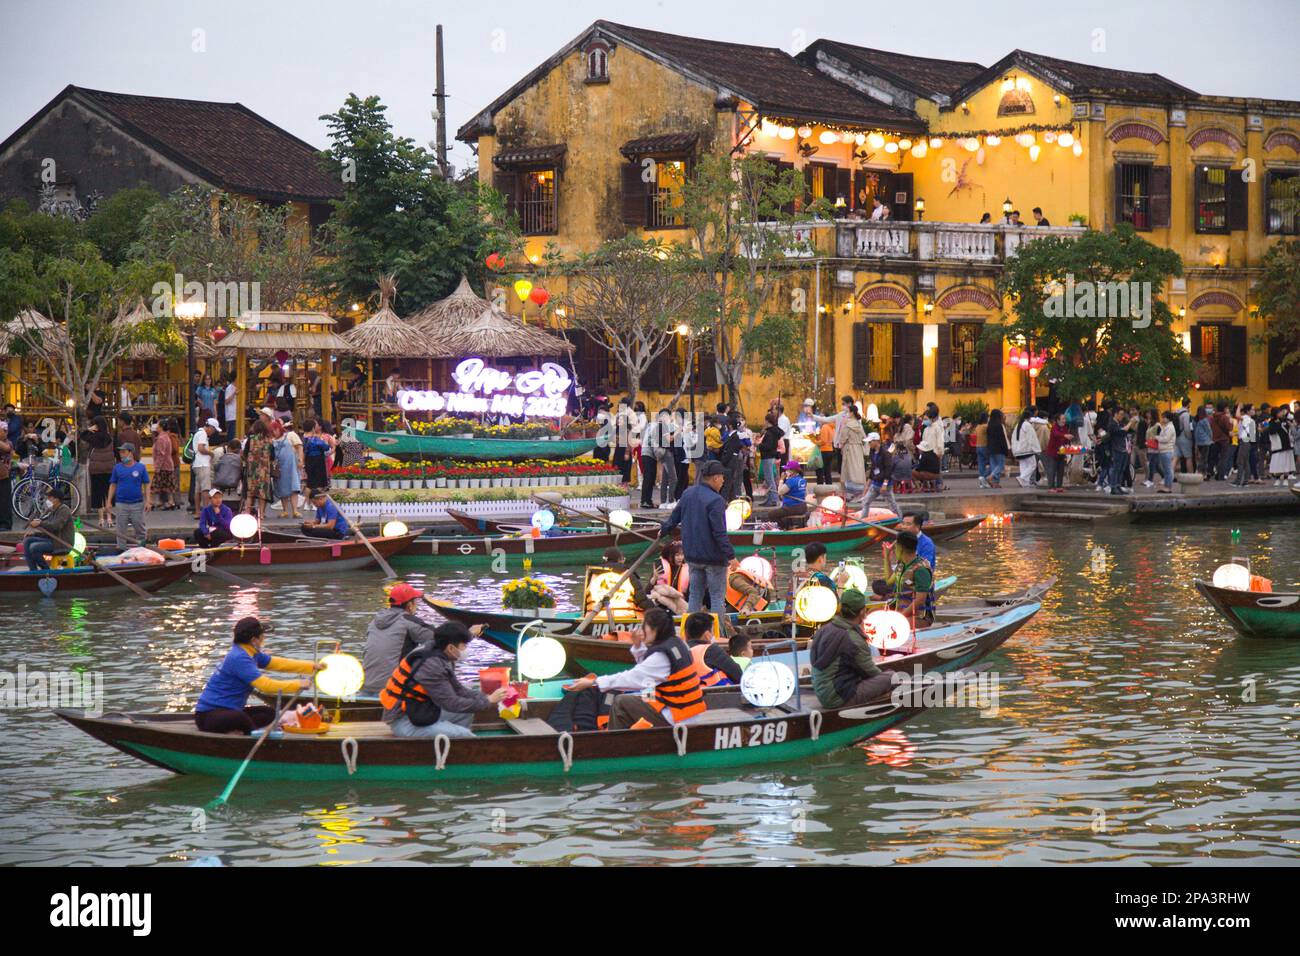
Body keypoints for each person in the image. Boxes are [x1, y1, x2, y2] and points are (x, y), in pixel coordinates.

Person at [562, 607, 707, 729]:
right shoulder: (678, 643)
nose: (641, 630)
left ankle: (614, 744)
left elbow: (632, 678)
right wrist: (638, 646)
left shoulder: (661, 656)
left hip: (676, 716)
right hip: (683, 710)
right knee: (645, 692)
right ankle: (635, 734)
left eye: (644, 626)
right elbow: (647, 671)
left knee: (621, 701)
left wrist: (593, 682)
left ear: (655, 630)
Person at [380, 621, 509, 738]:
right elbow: (451, 703)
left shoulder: (438, 650)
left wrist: (486, 697)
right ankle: (459, 745)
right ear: (451, 648)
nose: (465, 650)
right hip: (404, 720)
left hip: (420, 710)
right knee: (464, 734)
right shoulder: (431, 665)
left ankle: (451, 749)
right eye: (464, 646)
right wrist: (488, 701)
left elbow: (459, 690)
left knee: (466, 712)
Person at [193, 617, 320, 734]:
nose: (263, 640)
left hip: (230, 710)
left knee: (269, 713)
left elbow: (277, 663)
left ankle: (239, 731)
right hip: (208, 716)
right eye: (262, 637)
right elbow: (265, 686)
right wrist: (298, 685)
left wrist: (311, 666)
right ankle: (253, 737)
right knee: (240, 718)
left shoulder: (251, 652)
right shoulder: (239, 657)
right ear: (254, 640)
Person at [659, 460, 736, 613]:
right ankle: (717, 628)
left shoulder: (688, 493)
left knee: (695, 595)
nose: (723, 480)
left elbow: (674, 517)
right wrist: (731, 556)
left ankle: (690, 626)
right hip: (713, 558)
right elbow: (719, 532)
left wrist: (663, 530)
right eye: (722, 477)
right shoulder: (716, 500)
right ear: (715, 478)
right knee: (717, 597)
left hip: (693, 556)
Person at [809, 588, 894, 708]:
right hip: (837, 697)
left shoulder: (824, 629)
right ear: (862, 611)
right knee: (891, 677)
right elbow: (870, 672)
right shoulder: (853, 638)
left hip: (822, 692)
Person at [360, 582, 439, 695]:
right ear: (410, 605)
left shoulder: (374, 622)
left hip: (366, 686)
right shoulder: (409, 621)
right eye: (415, 601)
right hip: (392, 690)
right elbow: (440, 637)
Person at [873, 530, 934, 621]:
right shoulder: (902, 565)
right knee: (872, 612)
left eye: (895, 547)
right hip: (901, 610)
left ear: (900, 549)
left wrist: (899, 618)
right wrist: (887, 557)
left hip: (919, 617)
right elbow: (889, 581)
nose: (894, 550)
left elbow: (920, 600)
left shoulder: (921, 569)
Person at [106, 442, 151, 547]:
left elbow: (147, 484)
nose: (121, 454)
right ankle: (121, 548)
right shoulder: (117, 468)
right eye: (120, 452)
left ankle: (142, 548)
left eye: (124, 452)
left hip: (137, 504)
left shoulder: (141, 467)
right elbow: (113, 485)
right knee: (121, 530)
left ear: (130, 453)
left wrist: (148, 501)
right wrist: (109, 502)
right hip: (121, 504)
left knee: (140, 529)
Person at [21, 485, 75, 570]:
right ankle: (33, 570)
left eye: (49, 498)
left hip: (61, 544)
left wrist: (40, 523)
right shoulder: (53, 511)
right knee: (27, 541)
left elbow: (55, 526)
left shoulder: (64, 510)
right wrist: (34, 534)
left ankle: (46, 570)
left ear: (56, 499)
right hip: (53, 540)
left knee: (34, 547)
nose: (47, 500)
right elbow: (49, 532)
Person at [684, 611, 742, 686]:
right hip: (714, 693)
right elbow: (738, 675)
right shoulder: (711, 650)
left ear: (685, 633)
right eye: (712, 631)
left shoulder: (680, 651)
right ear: (707, 635)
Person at [82, 415, 117, 513]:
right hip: (109, 468)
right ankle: (109, 509)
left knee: (97, 491)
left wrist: (88, 429)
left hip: (95, 469)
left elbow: (83, 436)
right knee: (108, 489)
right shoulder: (110, 438)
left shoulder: (93, 437)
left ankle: (99, 511)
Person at [242, 419, 274, 520]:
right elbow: (273, 456)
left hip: (252, 469)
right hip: (264, 470)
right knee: (262, 493)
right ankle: (261, 514)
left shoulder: (251, 439)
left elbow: (245, 453)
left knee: (250, 493)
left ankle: (247, 512)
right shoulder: (269, 440)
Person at [861, 433, 900, 517]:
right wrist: (867, 485)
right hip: (875, 483)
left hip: (885, 484)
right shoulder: (872, 452)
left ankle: (900, 519)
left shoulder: (885, 453)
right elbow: (873, 468)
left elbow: (888, 469)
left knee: (892, 504)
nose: (869, 444)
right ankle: (863, 519)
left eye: (870, 442)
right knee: (865, 501)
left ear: (876, 441)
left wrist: (885, 484)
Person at [648, 540, 690, 613]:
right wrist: (654, 578)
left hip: (680, 605)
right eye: (677, 555)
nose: (680, 558)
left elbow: (690, 594)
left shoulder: (688, 570)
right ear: (670, 556)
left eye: (682, 554)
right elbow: (647, 592)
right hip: (661, 604)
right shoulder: (661, 569)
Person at [190, 417, 219, 518]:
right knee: (205, 489)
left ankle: (198, 512)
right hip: (203, 464)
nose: (213, 432)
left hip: (197, 464)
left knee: (197, 490)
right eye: (214, 430)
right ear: (210, 427)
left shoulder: (198, 433)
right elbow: (201, 448)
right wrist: (211, 453)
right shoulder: (203, 434)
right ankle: (206, 512)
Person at [768, 460, 808, 528]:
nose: (785, 471)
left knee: (771, 514)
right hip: (803, 506)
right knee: (781, 511)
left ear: (792, 471)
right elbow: (805, 493)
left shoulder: (791, 481)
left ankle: (784, 527)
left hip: (793, 507)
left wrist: (781, 480)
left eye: (787, 470)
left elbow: (780, 492)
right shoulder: (802, 480)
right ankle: (789, 525)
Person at [757, 412, 785, 506]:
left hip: (767, 457)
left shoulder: (769, 433)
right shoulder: (774, 431)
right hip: (770, 456)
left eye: (765, 420)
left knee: (769, 479)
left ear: (768, 421)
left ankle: (773, 499)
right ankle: (770, 499)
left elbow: (768, 446)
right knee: (769, 478)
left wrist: (759, 445)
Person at [273, 429, 302, 518]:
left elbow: (300, 447)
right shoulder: (272, 439)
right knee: (282, 487)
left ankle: (295, 511)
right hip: (280, 466)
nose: (274, 432)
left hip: (291, 465)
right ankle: (285, 510)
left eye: (275, 429)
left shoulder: (290, 435)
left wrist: (300, 460)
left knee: (294, 487)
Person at [150, 420, 178, 510]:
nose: (156, 427)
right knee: (168, 485)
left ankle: (151, 502)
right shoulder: (166, 437)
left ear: (161, 427)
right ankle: (170, 501)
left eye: (158, 425)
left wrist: (157, 467)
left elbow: (161, 454)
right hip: (168, 465)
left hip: (163, 466)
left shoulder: (161, 439)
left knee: (155, 485)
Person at [1011, 407, 1042, 487]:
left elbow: (1013, 438)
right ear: (1029, 418)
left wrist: (1014, 449)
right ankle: (1022, 478)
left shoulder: (1018, 425)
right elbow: (1032, 438)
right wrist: (1037, 449)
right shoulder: (1027, 425)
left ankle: (1025, 483)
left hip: (1018, 450)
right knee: (1033, 464)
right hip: (1026, 449)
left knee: (1023, 466)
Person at [1045, 412, 1071, 491]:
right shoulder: (1054, 427)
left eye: (1065, 419)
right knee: (1052, 470)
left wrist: (1068, 444)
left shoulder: (1065, 428)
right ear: (1058, 420)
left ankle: (1059, 486)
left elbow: (1066, 440)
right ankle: (1051, 487)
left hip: (1061, 452)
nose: (1064, 420)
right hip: (1052, 452)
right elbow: (1056, 434)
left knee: (1061, 470)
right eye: (1063, 419)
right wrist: (1065, 435)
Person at [986, 408, 1010, 488]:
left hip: (991, 449)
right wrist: (1006, 449)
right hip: (999, 449)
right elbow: (1002, 439)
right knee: (1001, 465)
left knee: (994, 466)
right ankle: (991, 477)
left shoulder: (989, 425)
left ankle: (995, 483)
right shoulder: (999, 425)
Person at [0, 422, 13, 532]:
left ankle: (6, 524)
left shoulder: (8, 443)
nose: (5, 433)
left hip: (4, 476)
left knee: (4, 500)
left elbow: (7, 448)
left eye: (5, 431)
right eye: (3, 431)